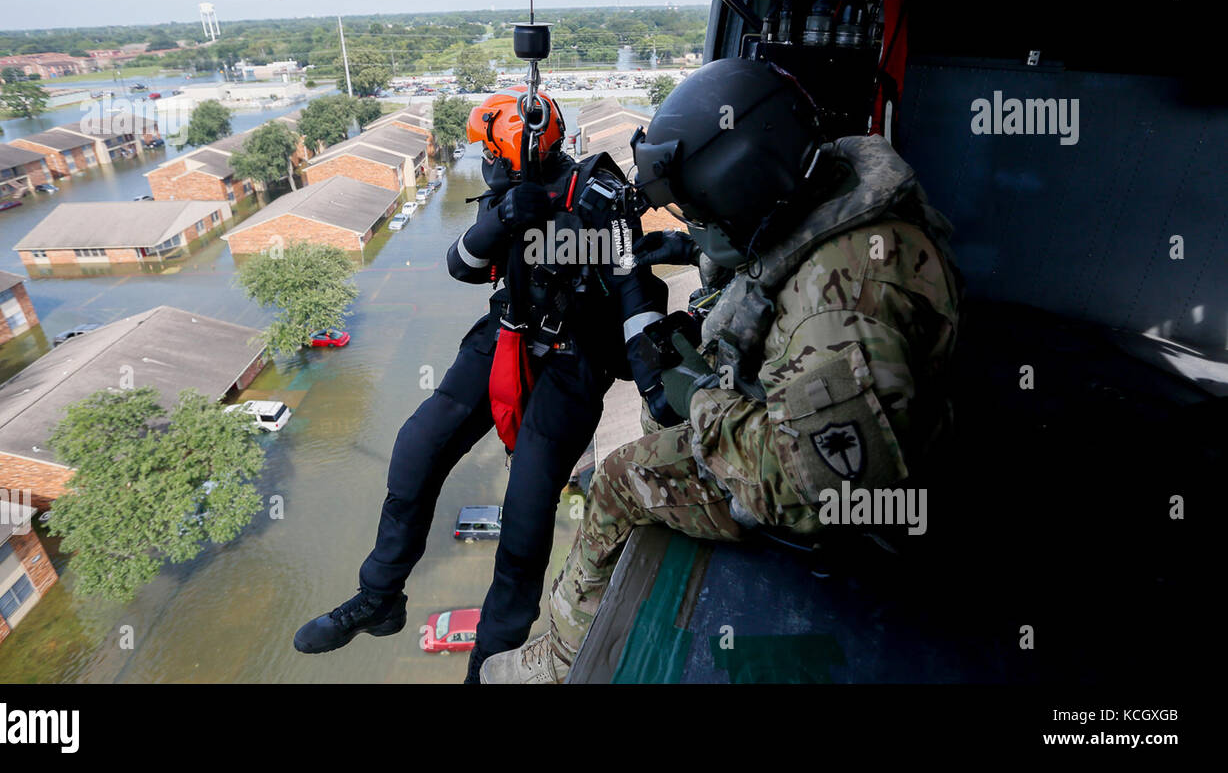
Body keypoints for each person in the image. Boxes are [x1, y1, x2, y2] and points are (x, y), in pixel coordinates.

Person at [480, 57, 962, 683]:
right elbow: (775, 252)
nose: (696, 225)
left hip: (855, 498)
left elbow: (822, 491)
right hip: (880, 406)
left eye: (700, 216)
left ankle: (558, 659)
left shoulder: (837, 313)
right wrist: (686, 252)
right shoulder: (834, 184)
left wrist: (701, 397)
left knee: (621, 479)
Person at [292, 86, 672, 683]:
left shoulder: (599, 194)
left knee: (524, 516)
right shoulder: (506, 198)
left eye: (486, 154)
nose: (483, 164)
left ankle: (487, 665)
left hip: (574, 359)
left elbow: (631, 284)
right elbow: (462, 266)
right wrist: (504, 217)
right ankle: (380, 596)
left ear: (509, 151)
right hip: (507, 331)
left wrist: (653, 376)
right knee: (418, 444)